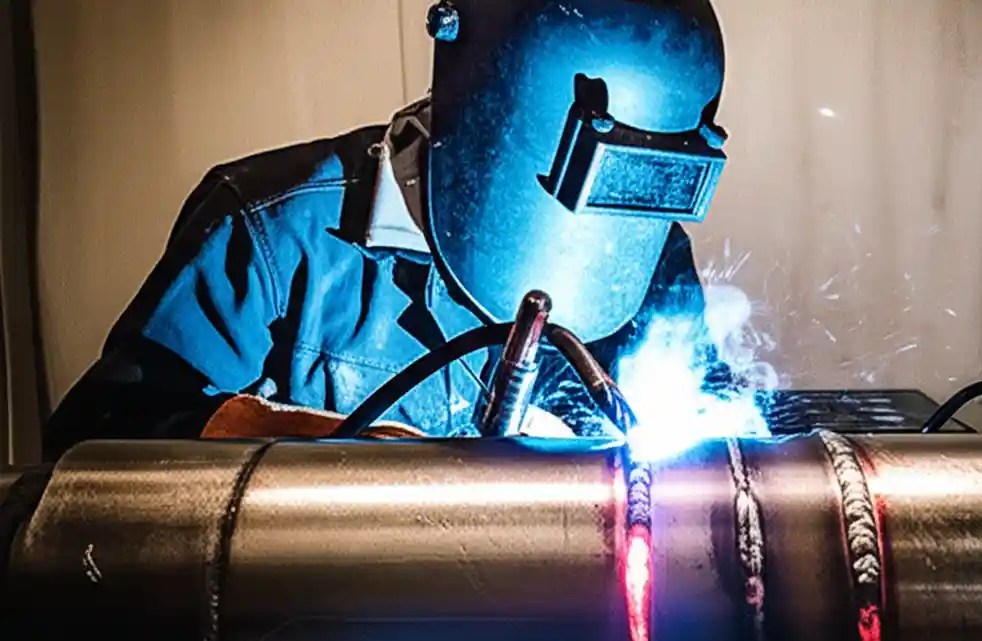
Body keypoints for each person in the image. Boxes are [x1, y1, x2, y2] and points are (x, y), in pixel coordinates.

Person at [42, 0, 730, 460]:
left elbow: (706, 435)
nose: (619, 218)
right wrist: (353, 455)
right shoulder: (280, 229)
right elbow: (100, 445)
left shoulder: (645, 258)